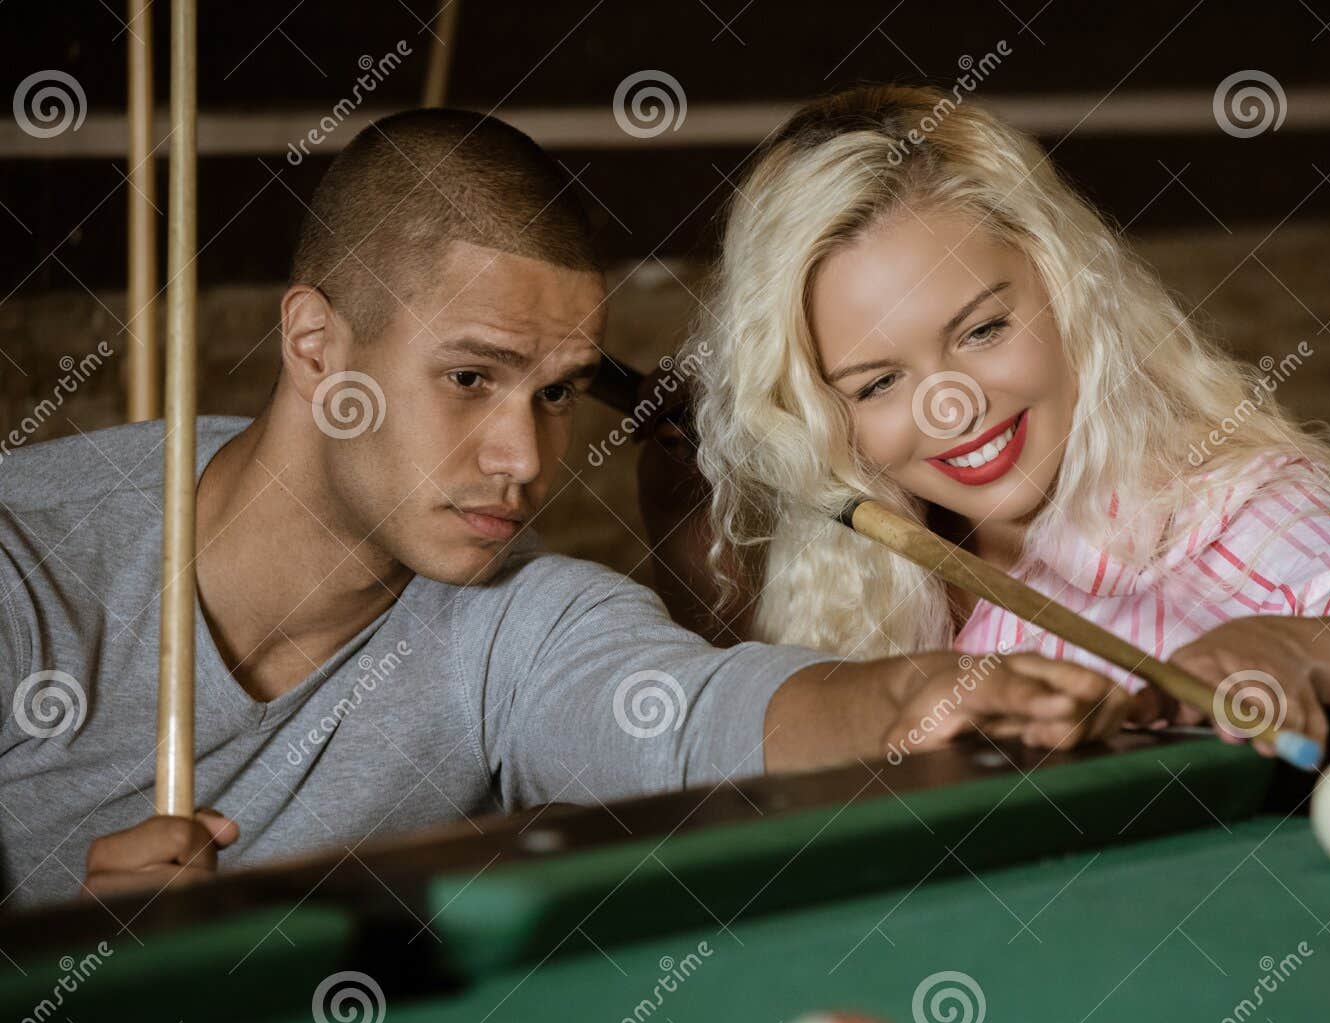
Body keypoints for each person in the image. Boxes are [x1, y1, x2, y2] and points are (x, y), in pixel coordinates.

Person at [0, 109, 1131, 909]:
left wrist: (906, 696)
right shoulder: (29, 568)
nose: (523, 457)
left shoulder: (512, 616)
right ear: (317, 347)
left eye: (553, 395)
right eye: (469, 378)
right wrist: (55, 969)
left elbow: (698, 714)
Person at [681, 85, 1330, 753]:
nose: (951, 406)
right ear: (825, 419)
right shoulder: (856, 584)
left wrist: (1290, 651)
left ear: (1069, 294)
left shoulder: (1220, 499)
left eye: (982, 330)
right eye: (876, 384)